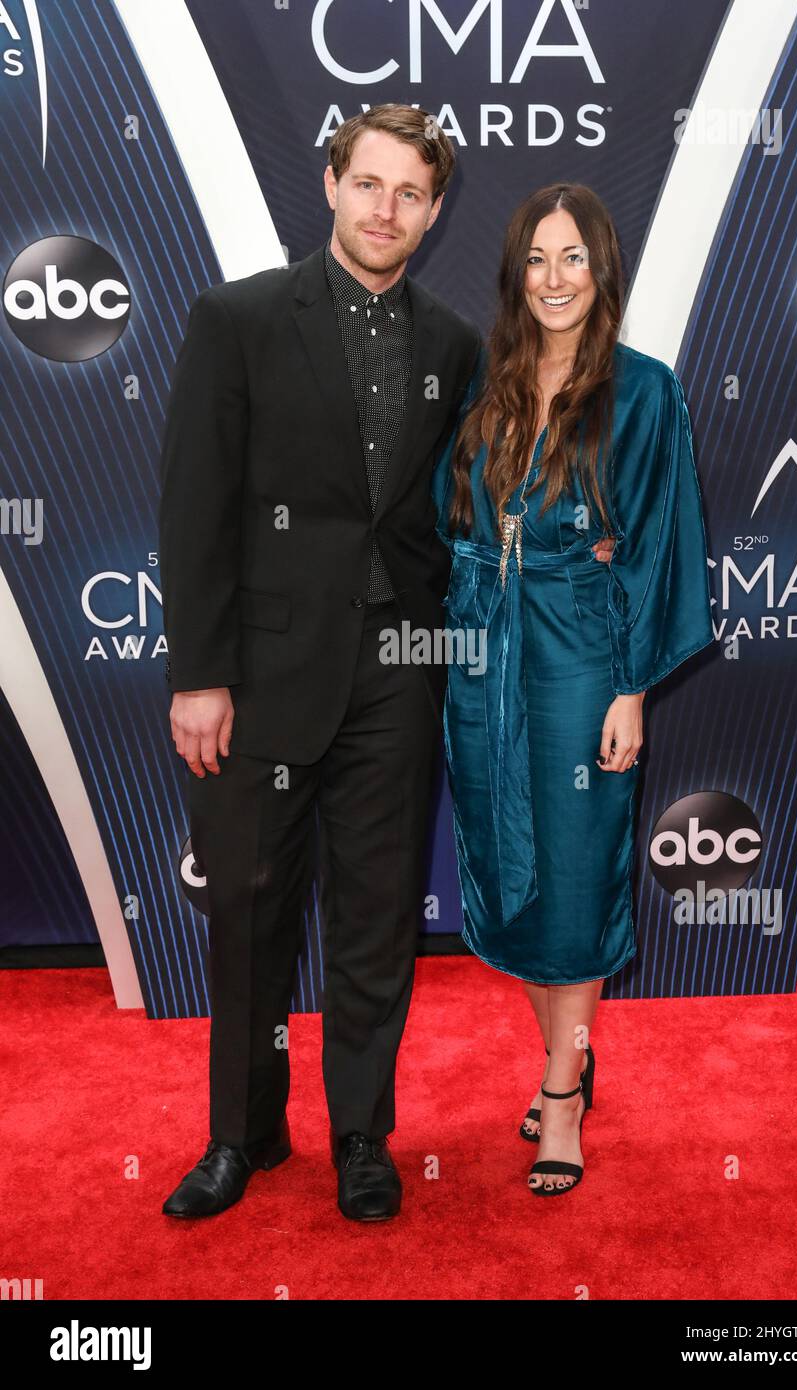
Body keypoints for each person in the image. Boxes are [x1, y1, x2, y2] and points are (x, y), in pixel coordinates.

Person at [157, 104, 492, 1223]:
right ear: (330, 184)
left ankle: (361, 1136)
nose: (385, 209)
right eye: (368, 185)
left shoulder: (451, 343)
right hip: (259, 674)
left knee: (375, 912)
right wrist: (199, 675)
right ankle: (241, 1134)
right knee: (248, 911)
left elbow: (455, 512)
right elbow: (195, 507)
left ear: (433, 211)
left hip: (398, 668)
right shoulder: (238, 318)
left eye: (409, 193)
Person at [432, 183, 714, 1196]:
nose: (553, 280)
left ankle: (560, 1091)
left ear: (601, 274)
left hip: (582, 661)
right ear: (515, 275)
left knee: (579, 875)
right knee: (516, 875)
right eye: (536, 261)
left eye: (573, 260)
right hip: (483, 664)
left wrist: (630, 687)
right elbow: (446, 521)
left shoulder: (641, 392)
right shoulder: (484, 385)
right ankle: (568, 1059)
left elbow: (654, 546)